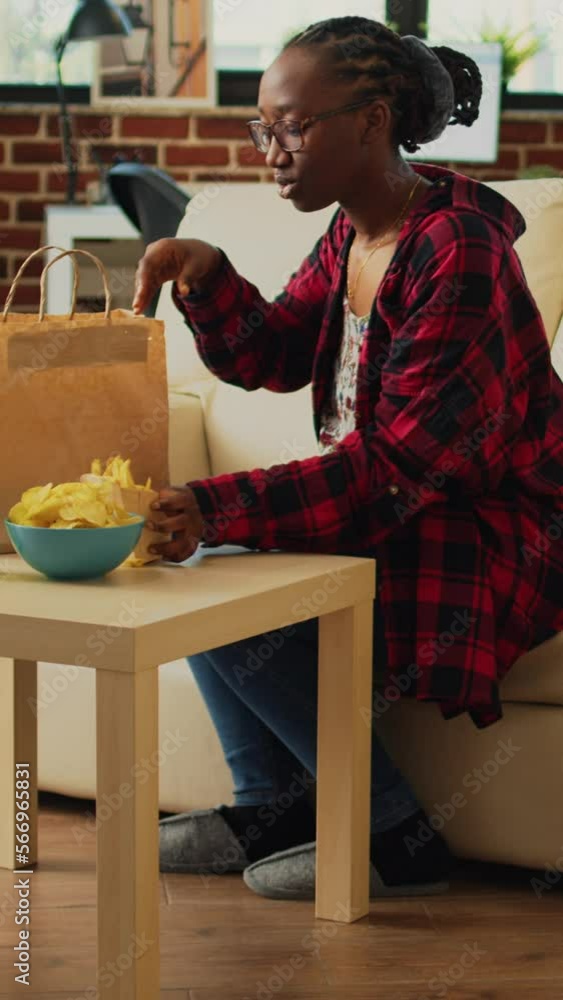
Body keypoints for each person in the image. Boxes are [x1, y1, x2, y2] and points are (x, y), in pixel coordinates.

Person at [132, 17, 563, 901]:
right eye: (263, 129)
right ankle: (278, 806)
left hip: (491, 530)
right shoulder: (354, 232)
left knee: (234, 575)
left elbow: (405, 470)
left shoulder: (458, 250)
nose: (273, 152)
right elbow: (276, 353)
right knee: (210, 573)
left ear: (370, 121)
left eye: (293, 127)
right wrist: (206, 272)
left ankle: (393, 834)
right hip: (405, 506)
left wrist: (217, 507)